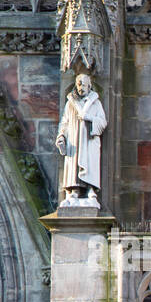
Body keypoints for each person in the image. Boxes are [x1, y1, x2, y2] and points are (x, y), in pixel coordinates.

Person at [55, 72, 106, 206]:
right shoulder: (71, 103)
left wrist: (88, 117)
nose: (81, 87)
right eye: (79, 85)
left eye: (84, 85)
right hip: (74, 140)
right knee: (73, 166)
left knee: (89, 163)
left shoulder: (95, 103)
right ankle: (74, 191)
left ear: (89, 86)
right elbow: (64, 122)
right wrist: (61, 136)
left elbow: (102, 122)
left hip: (89, 141)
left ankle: (90, 190)